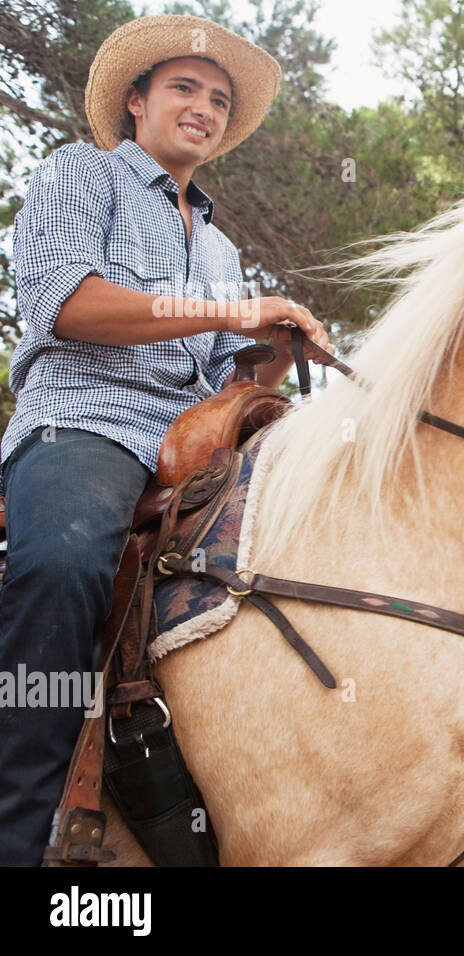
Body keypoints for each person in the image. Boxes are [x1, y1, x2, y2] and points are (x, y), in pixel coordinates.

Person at [0, 14, 333, 865]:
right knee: (65, 563)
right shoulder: (82, 173)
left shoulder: (219, 247)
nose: (205, 107)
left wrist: (273, 354)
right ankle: (21, 825)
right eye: (185, 87)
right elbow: (63, 302)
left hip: (193, 446)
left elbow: (232, 375)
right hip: (88, 418)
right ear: (136, 102)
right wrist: (239, 310)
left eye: (219, 98)